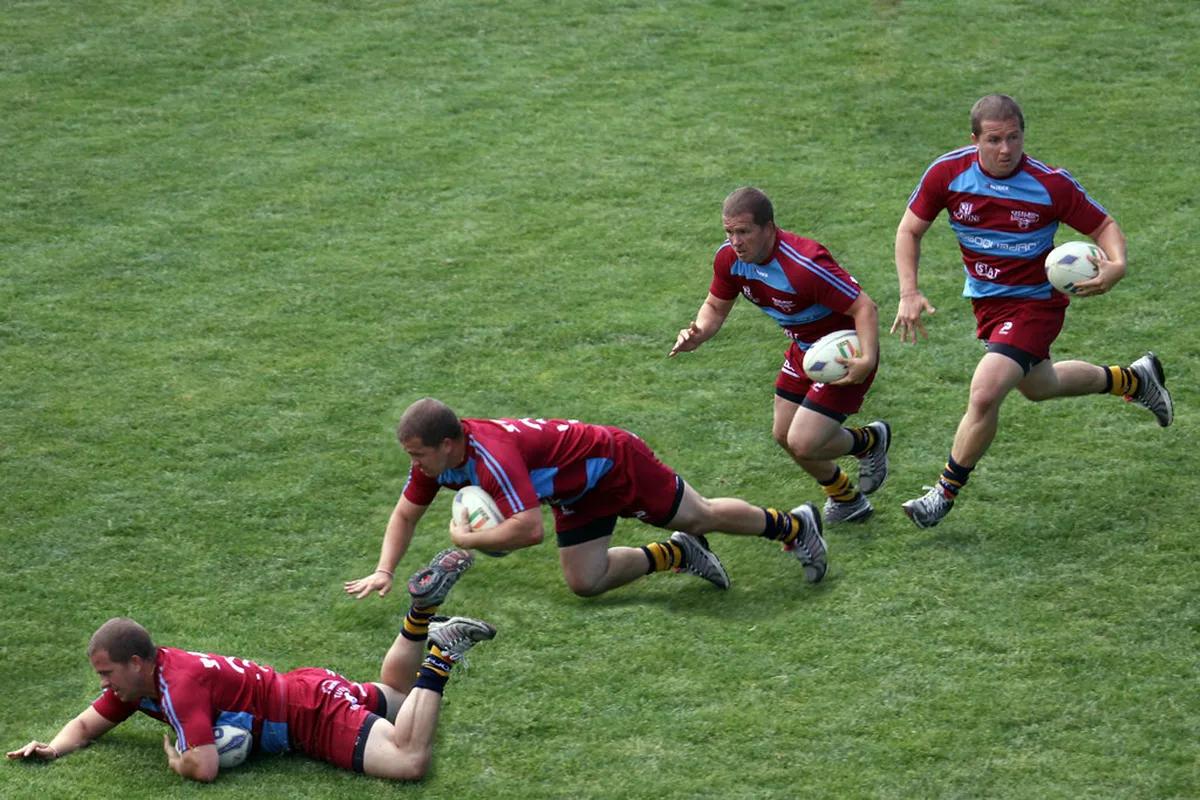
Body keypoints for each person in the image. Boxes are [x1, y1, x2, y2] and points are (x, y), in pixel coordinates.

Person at [890, 93, 1173, 528]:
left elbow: (1104, 226)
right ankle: (1135, 379)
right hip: (988, 302)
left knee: (986, 391)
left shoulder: (1049, 184)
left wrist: (1117, 266)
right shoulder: (947, 174)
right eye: (994, 140)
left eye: (1014, 138)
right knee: (1040, 384)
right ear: (975, 139)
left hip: (1035, 303)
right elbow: (909, 230)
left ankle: (942, 494)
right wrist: (908, 291)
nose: (1005, 149)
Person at [8, 550, 491, 783]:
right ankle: (420, 614)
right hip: (306, 686)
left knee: (409, 760)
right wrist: (52, 749)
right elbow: (87, 724)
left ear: (135, 663)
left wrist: (177, 758)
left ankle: (442, 652)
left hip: (309, 717)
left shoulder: (178, 686)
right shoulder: (144, 682)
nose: (103, 685)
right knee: (401, 699)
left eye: (106, 674)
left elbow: (204, 767)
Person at [343, 397, 828, 599]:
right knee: (585, 581)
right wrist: (385, 569)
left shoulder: (490, 458)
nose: (415, 463)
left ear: (447, 444)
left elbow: (528, 530)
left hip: (613, 463)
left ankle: (794, 526)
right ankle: (678, 553)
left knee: (699, 513)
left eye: (419, 453)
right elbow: (405, 513)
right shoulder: (439, 462)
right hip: (575, 490)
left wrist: (465, 539)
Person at [669, 186, 891, 525]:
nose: (736, 241)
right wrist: (698, 333)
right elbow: (715, 306)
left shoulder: (804, 265)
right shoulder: (730, 260)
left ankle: (869, 441)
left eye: (744, 232)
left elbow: (865, 307)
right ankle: (847, 497)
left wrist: (867, 360)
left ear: (769, 228)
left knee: (804, 441)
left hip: (845, 353)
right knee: (783, 434)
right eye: (729, 232)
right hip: (805, 349)